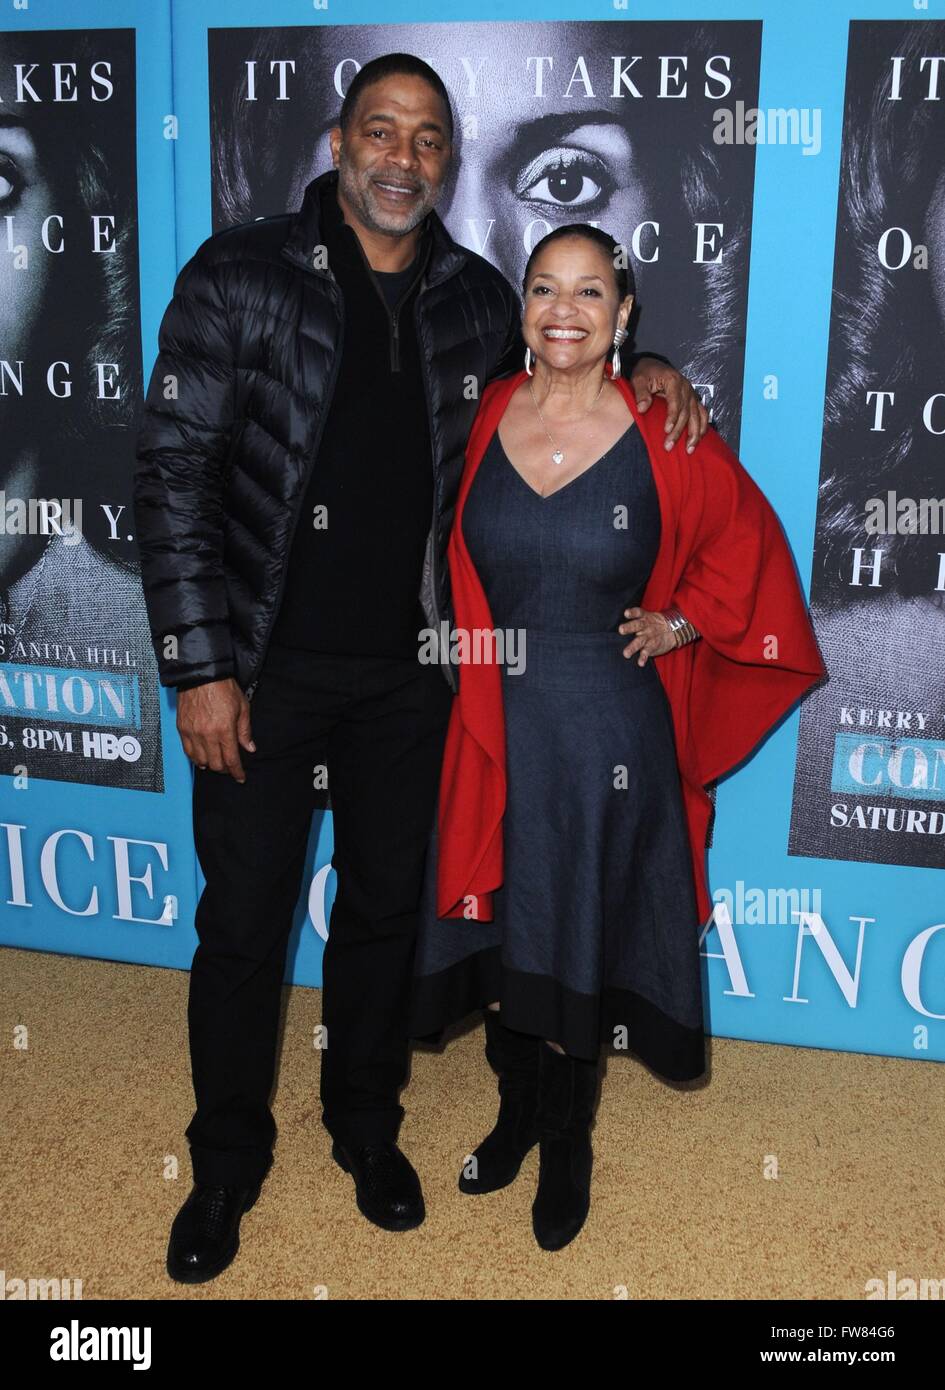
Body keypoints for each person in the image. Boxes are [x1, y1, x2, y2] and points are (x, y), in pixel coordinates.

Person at [133, 52, 708, 1283]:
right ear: (340, 145)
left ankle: (365, 1130)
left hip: (420, 682)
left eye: (428, 139)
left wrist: (659, 376)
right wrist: (199, 667)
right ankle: (226, 1164)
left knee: (387, 922)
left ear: (447, 161)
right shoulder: (237, 274)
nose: (402, 157)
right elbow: (172, 477)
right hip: (261, 674)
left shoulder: (477, 298)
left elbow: (572, 368)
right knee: (241, 926)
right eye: (379, 132)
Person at [409, 224, 826, 1250]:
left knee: (578, 937)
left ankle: (567, 1142)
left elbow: (751, 548)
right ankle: (511, 1115)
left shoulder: (662, 425)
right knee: (509, 934)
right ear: (523, 308)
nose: (564, 309)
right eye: (545, 288)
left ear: (624, 312)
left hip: (608, 732)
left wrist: (682, 620)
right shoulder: (490, 407)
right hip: (496, 720)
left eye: (590, 292)